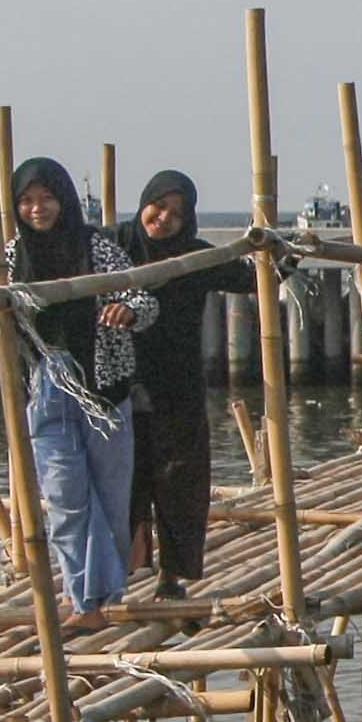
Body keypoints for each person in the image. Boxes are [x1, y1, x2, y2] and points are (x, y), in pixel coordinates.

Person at [6, 155, 155, 618]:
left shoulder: (97, 247)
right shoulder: (12, 255)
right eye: (27, 201)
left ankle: (101, 597)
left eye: (46, 198)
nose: (37, 209)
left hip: (104, 389)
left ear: (64, 200)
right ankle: (83, 598)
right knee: (64, 496)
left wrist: (126, 311)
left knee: (111, 497)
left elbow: (141, 295)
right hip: (49, 383)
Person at [118, 168, 248, 595]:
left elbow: (247, 276)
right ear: (144, 202)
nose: (164, 218)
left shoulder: (194, 256)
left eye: (176, 212)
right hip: (118, 386)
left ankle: (173, 578)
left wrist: (278, 252)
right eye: (159, 206)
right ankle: (122, 569)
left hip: (179, 389)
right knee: (121, 481)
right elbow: (55, 261)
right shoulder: (113, 245)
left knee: (181, 487)